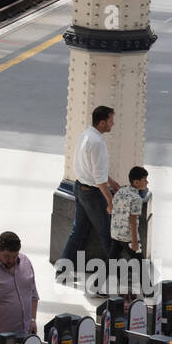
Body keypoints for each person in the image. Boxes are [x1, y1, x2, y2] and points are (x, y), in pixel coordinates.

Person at [59, 105, 120, 275]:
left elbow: (94, 168)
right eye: (110, 120)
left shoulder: (86, 135)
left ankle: (62, 270)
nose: (112, 124)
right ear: (102, 123)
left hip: (79, 188)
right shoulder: (97, 143)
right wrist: (110, 200)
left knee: (78, 230)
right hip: (93, 194)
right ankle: (113, 274)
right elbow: (99, 178)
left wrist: (112, 181)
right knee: (107, 233)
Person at [110, 165, 149, 262]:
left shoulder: (121, 191)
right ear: (136, 182)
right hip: (127, 238)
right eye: (145, 180)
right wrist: (135, 241)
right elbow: (132, 221)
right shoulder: (136, 199)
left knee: (111, 262)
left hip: (116, 233)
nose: (147, 182)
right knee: (141, 264)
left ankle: (101, 277)